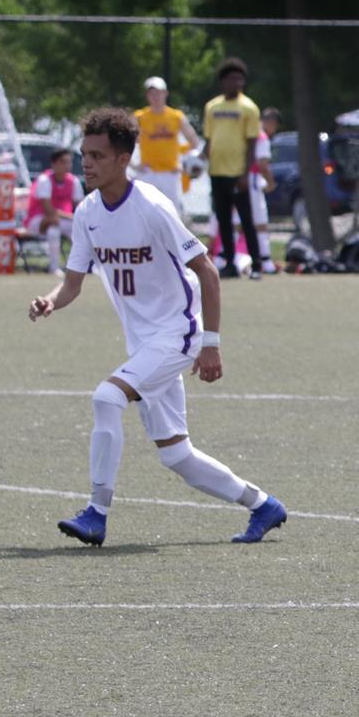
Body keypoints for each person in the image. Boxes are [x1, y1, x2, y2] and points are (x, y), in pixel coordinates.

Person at [26, 106, 287, 548]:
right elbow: (73, 282)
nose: (86, 163)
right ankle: (263, 505)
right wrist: (50, 301)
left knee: (107, 397)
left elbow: (207, 270)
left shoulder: (151, 206)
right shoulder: (88, 211)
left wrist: (211, 344)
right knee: (177, 455)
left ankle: (96, 513)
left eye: (97, 156)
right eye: (83, 154)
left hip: (178, 334)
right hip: (144, 343)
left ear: (123, 159)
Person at [199, 58, 264, 279]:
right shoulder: (212, 107)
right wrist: (199, 162)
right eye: (233, 79)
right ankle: (230, 264)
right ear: (223, 81)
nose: (237, 83)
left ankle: (256, 265)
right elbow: (209, 140)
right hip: (217, 172)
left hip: (238, 174)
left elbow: (252, 143)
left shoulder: (249, 108)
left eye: (240, 79)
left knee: (246, 220)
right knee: (224, 221)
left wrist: (246, 173)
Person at [133, 76, 199, 216]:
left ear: (165, 94)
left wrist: (182, 157)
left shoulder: (176, 116)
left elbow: (193, 140)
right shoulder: (140, 116)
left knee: (171, 213)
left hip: (170, 172)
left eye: (159, 92)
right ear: (147, 96)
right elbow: (123, 143)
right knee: (145, 213)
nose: (155, 97)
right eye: (152, 93)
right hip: (148, 172)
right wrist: (134, 165)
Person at [25, 148, 84, 272]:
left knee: (81, 230)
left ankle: (83, 267)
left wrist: (79, 220)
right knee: (53, 230)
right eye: (63, 162)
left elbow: (80, 207)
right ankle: (54, 268)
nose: (67, 166)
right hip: (38, 220)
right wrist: (73, 217)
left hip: (61, 220)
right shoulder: (44, 180)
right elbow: (49, 211)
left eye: (69, 162)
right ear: (54, 164)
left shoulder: (74, 181)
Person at [247, 107, 280, 275]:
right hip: (252, 179)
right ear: (271, 123)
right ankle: (265, 260)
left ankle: (228, 257)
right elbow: (262, 165)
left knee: (239, 222)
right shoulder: (262, 137)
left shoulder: (250, 132)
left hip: (240, 178)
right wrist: (271, 183)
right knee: (260, 222)